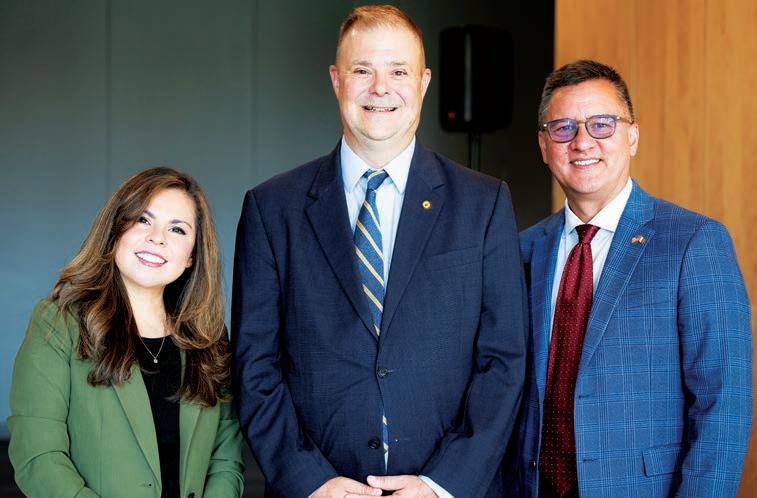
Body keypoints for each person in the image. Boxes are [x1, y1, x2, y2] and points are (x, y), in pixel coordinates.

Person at [232, 5, 526, 497]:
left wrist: (441, 485)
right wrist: (311, 482)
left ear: (424, 83)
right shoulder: (272, 208)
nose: (380, 88)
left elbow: (504, 361)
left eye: (399, 72)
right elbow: (255, 366)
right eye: (362, 70)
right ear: (336, 80)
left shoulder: (484, 203)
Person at [508, 59, 752, 497]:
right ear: (544, 146)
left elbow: (724, 404)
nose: (583, 142)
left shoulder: (694, 242)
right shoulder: (523, 250)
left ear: (632, 136)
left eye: (602, 125)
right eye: (563, 128)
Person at [8, 167, 244, 498]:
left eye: (177, 229)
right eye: (143, 220)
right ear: (115, 229)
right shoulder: (59, 323)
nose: (157, 237)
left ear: (192, 256)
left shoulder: (208, 337)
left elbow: (226, 458)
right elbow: (39, 456)